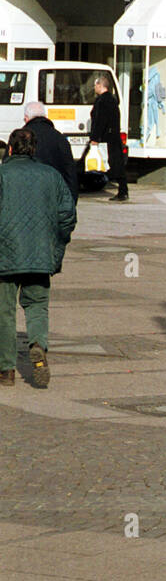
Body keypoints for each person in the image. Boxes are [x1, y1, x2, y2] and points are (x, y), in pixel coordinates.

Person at [0, 127, 77, 389]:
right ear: (33, 150)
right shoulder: (51, 175)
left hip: (4, 256)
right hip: (40, 254)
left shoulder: (1, 174)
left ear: (10, 149)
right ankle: (36, 344)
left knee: (4, 312)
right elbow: (67, 215)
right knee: (36, 306)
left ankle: (6, 369)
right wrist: (56, 246)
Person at [23, 101, 79, 202]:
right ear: (45, 116)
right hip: (54, 197)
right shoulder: (59, 138)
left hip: (26, 196)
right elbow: (69, 171)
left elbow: (9, 167)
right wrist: (72, 201)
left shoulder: (20, 138)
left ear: (26, 118)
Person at [90, 74, 128, 202]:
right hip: (112, 136)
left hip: (109, 138)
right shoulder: (110, 99)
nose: (94, 87)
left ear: (100, 85)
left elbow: (101, 120)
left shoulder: (104, 100)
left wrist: (95, 137)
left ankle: (123, 191)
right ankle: (122, 190)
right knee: (115, 163)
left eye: (95, 85)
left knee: (114, 163)